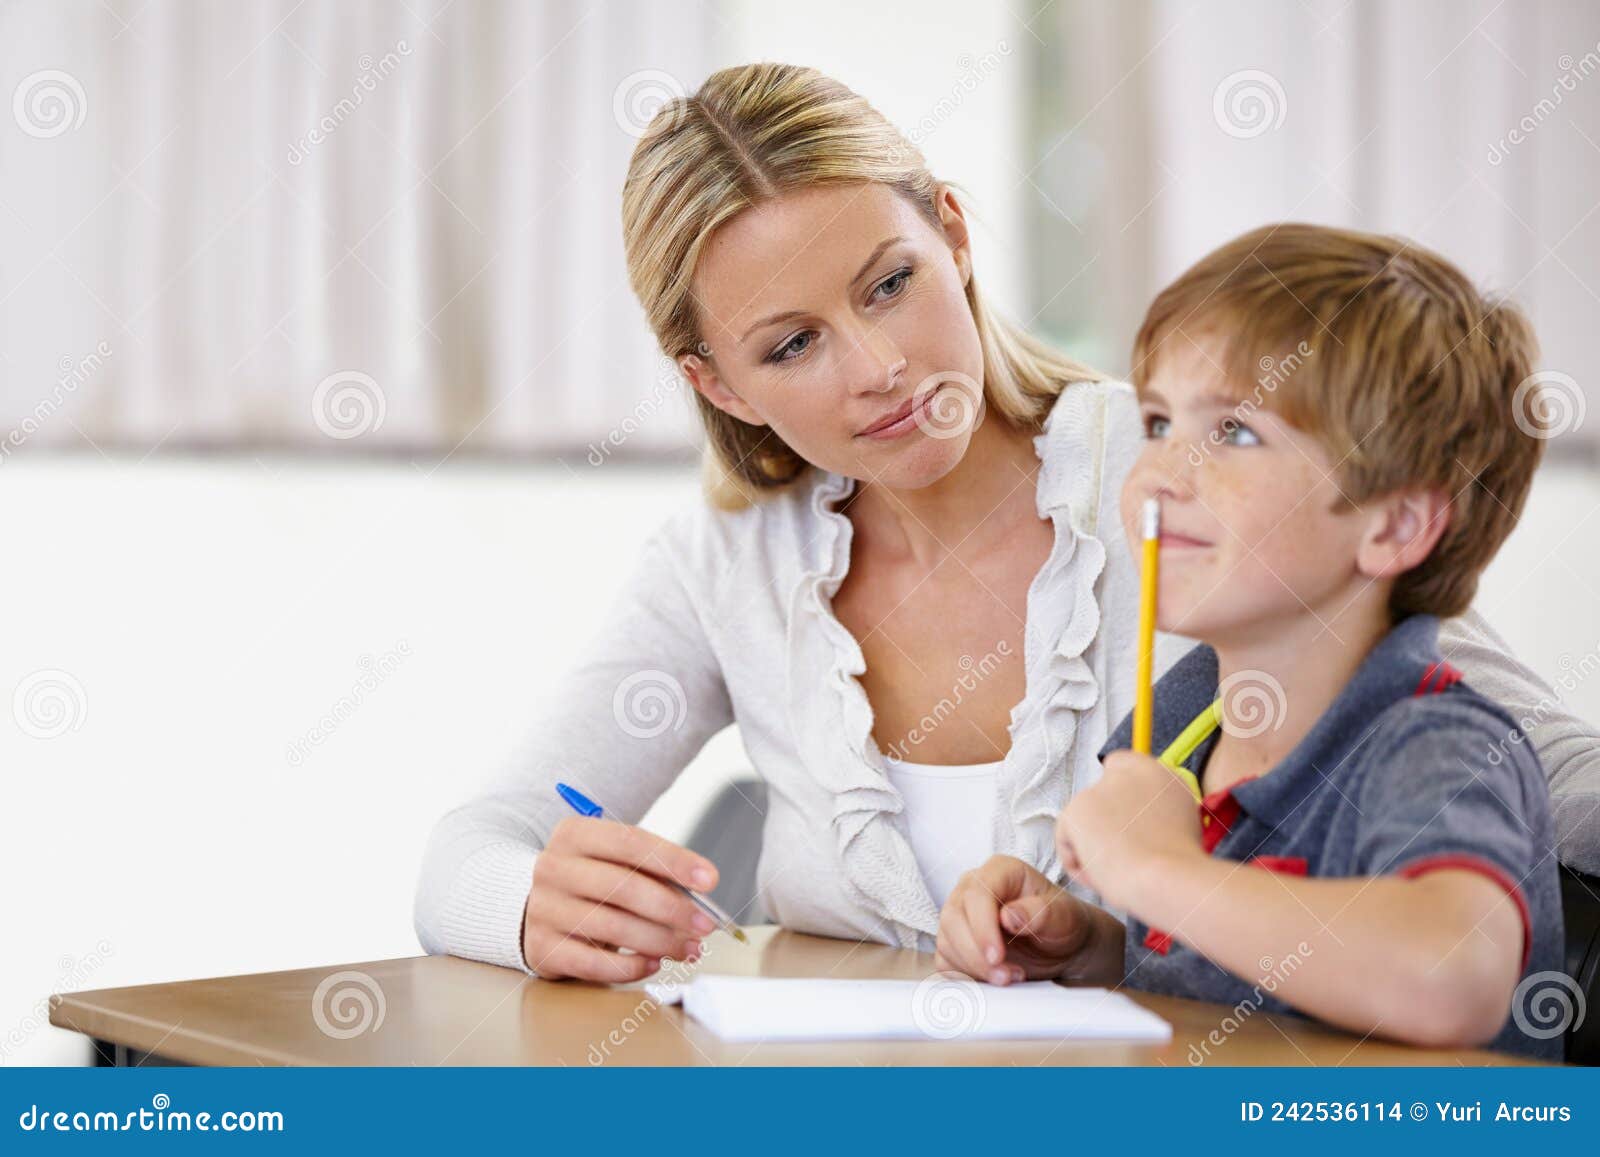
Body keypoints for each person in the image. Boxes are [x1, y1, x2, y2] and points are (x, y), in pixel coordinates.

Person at [414, 62, 1600, 985]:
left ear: (955, 234)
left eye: (890, 282)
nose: (880, 367)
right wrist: (525, 905)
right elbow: (474, 845)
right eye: (792, 344)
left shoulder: (1179, 482)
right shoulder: (731, 563)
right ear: (716, 384)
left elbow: (1544, 771)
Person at [938, 223, 1564, 1057]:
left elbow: (1450, 978)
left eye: (1233, 431)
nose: (1159, 473)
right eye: (1158, 420)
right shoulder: (1185, 725)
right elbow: (1243, 982)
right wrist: (1093, 945)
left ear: (1395, 526)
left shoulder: (1433, 745)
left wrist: (1162, 872)